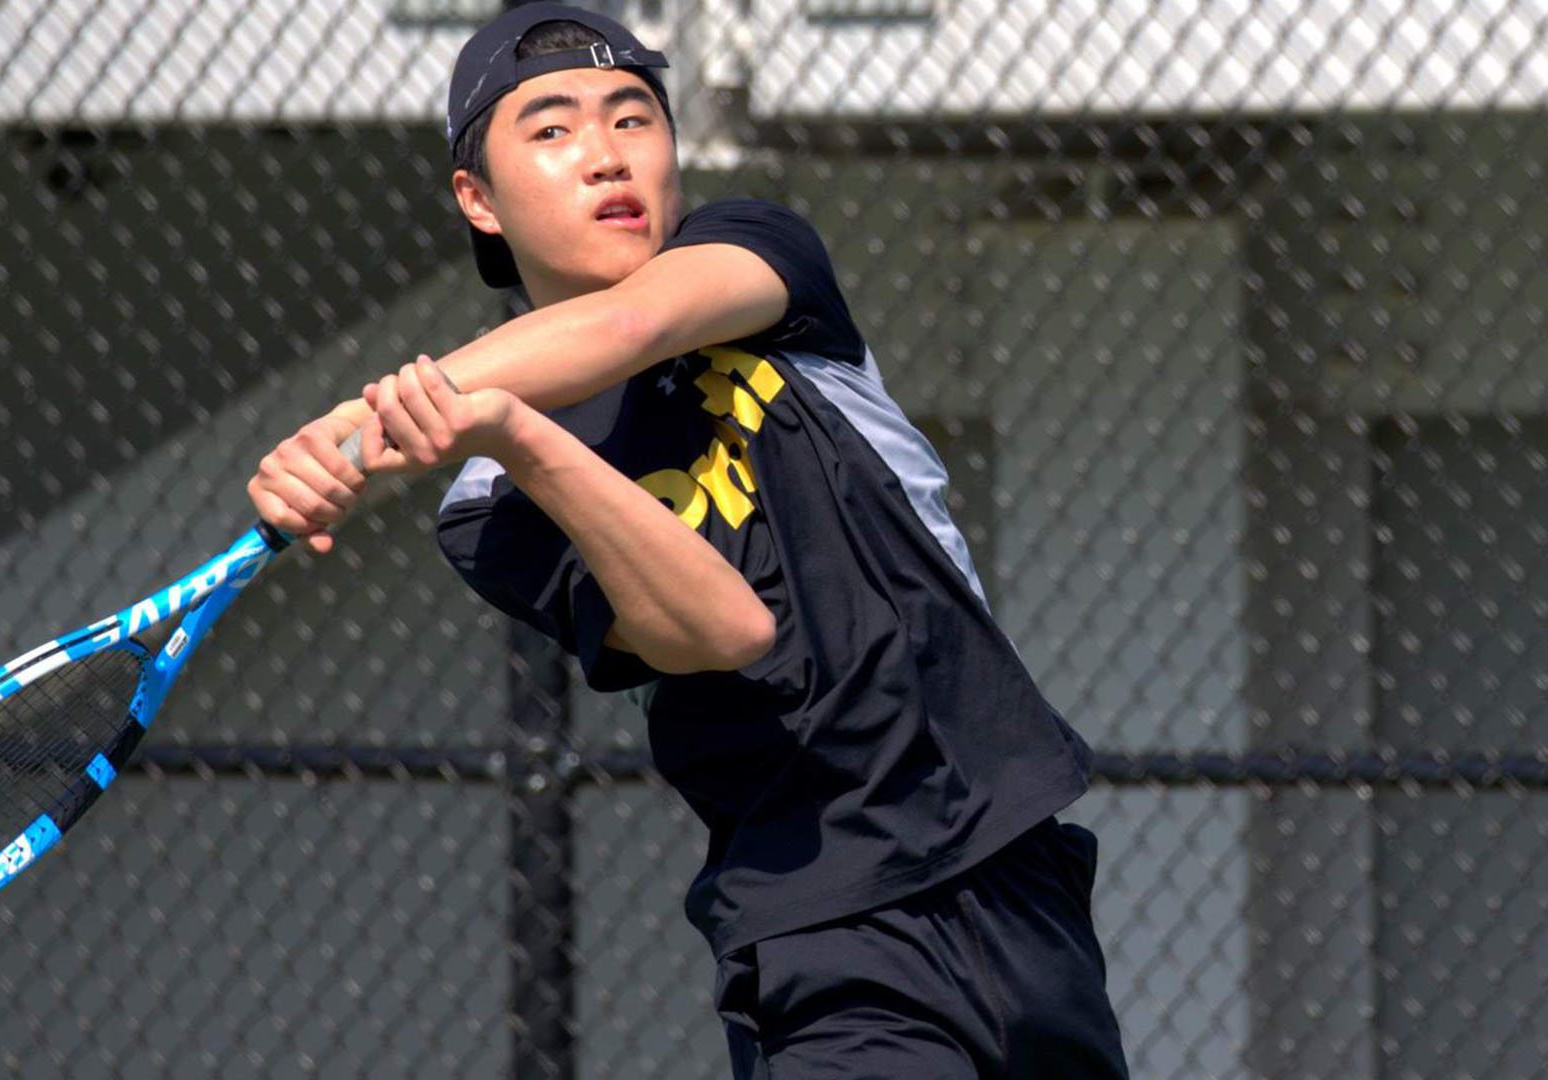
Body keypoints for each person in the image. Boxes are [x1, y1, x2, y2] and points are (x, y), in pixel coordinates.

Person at [247, 4, 1130, 1076]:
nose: (606, 154)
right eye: (552, 129)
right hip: (828, 935)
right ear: (477, 199)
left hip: (1020, 878)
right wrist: (519, 435)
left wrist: (354, 425)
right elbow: (720, 628)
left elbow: (626, 327)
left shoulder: (758, 255)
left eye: (634, 118)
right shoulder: (491, 505)